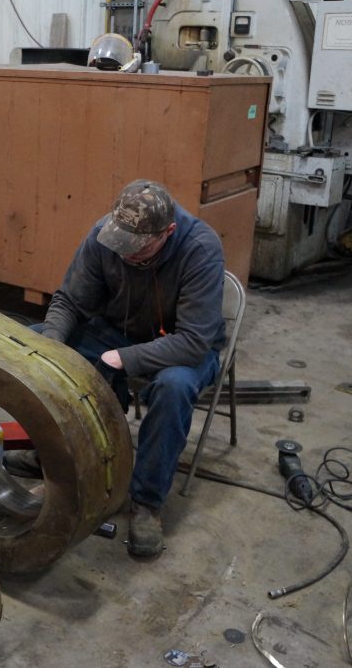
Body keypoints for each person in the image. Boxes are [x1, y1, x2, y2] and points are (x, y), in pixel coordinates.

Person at [33, 179, 225, 556]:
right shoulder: (104, 237)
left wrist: (125, 360)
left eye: (137, 249)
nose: (125, 255)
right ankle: (53, 455)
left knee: (174, 389)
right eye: (121, 245)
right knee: (35, 345)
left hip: (181, 346)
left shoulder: (200, 248)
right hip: (117, 331)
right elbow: (70, 301)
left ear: (167, 233)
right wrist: (52, 345)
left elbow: (194, 340)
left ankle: (147, 504)